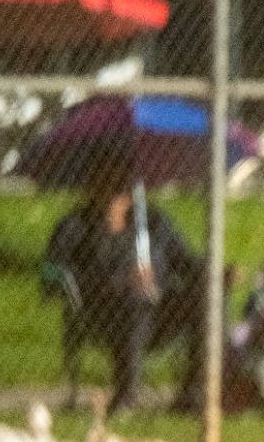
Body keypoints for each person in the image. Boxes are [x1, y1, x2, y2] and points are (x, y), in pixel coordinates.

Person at [41, 146, 205, 413]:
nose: (115, 193)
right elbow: (51, 275)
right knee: (135, 301)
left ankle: (194, 396)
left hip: (160, 310)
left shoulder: (152, 221)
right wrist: (119, 280)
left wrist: (215, 274)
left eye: (122, 185)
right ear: (91, 185)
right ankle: (125, 399)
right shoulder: (74, 227)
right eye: (107, 182)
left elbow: (186, 262)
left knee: (207, 298)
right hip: (102, 314)